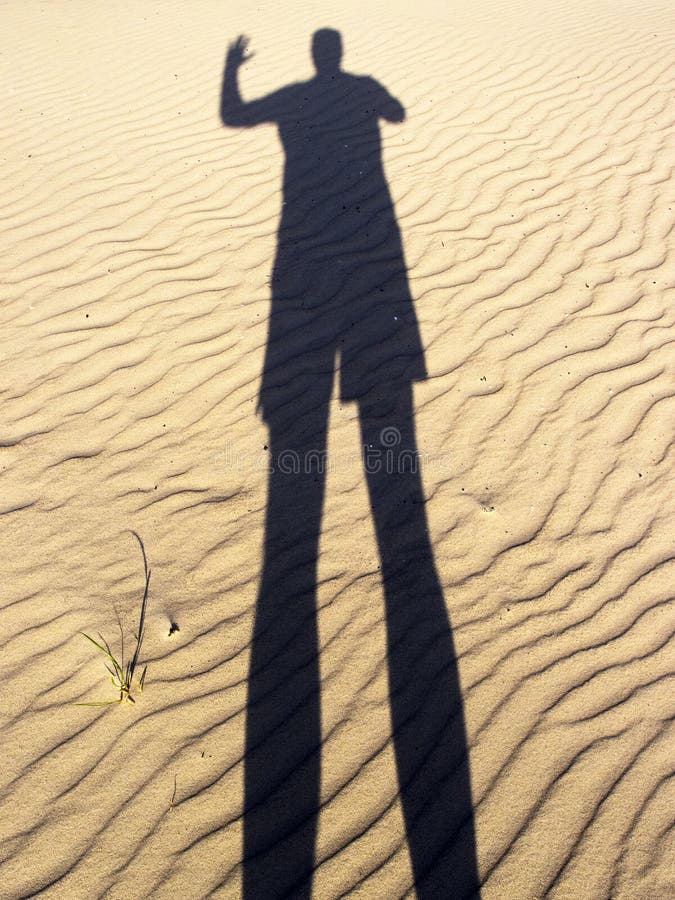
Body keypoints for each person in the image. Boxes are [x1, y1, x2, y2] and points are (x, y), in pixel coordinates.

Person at [222, 29, 480, 899]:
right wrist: (371, 99)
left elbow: (233, 114)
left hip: (301, 259)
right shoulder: (359, 85)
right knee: (386, 429)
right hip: (366, 259)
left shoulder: (292, 98)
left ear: (313, 55)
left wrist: (231, 68)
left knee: (300, 448)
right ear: (342, 55)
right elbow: (399, 112)